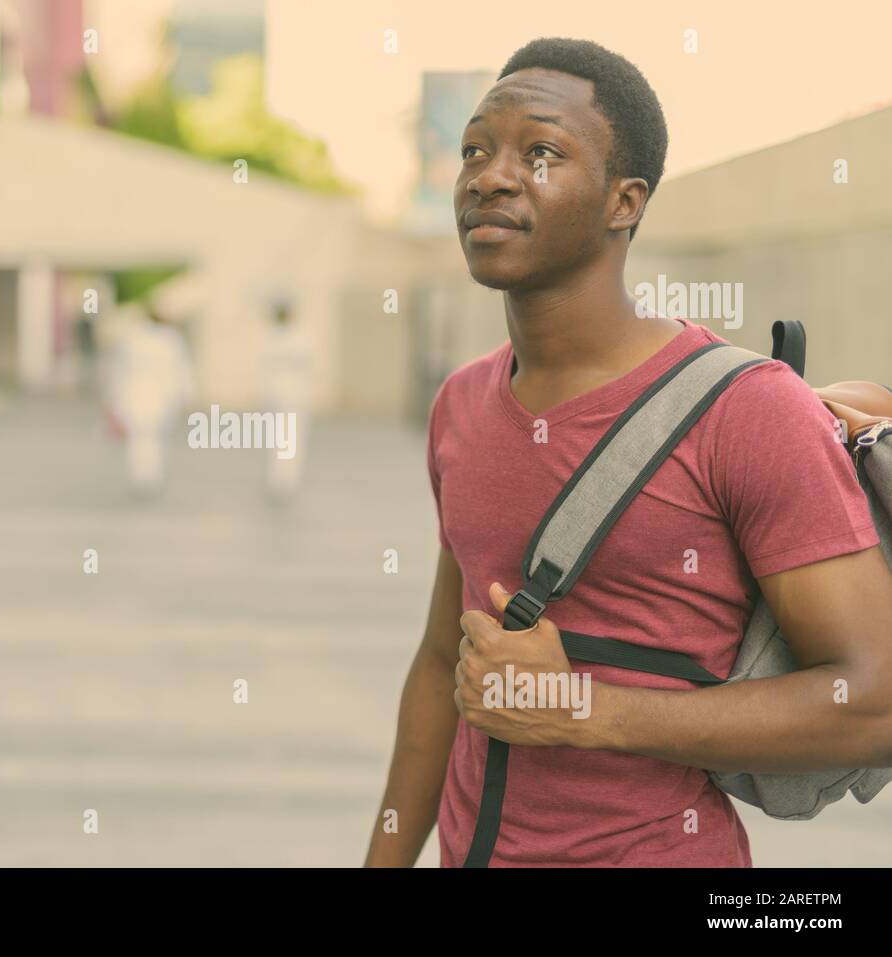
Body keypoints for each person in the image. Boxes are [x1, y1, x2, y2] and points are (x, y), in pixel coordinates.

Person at [364, 38, 892, 868]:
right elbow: (443, 662)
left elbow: (874, 702)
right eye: (474, 149)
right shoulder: (462, 404)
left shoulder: (747, 411)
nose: (489, 176)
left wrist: (578, 709)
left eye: (540, 152)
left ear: (624, 200)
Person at [103, 302, 196, 496]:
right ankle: (151, 475)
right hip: (162, 395)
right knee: (153, 437)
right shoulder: (171, 340)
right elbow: (180, 370)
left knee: (139, 437)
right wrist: (187, 393)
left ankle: (142, 475)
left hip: (135, 393)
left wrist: (114, 397)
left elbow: (118, 370)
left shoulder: (132, 339)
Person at [258, 297, 314, 501]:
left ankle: (279, 478)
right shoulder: (300, 338)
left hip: (277, 394)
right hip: (294, 395)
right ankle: (286, 479)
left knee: (278, 438)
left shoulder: (270, 339)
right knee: (292, 438)